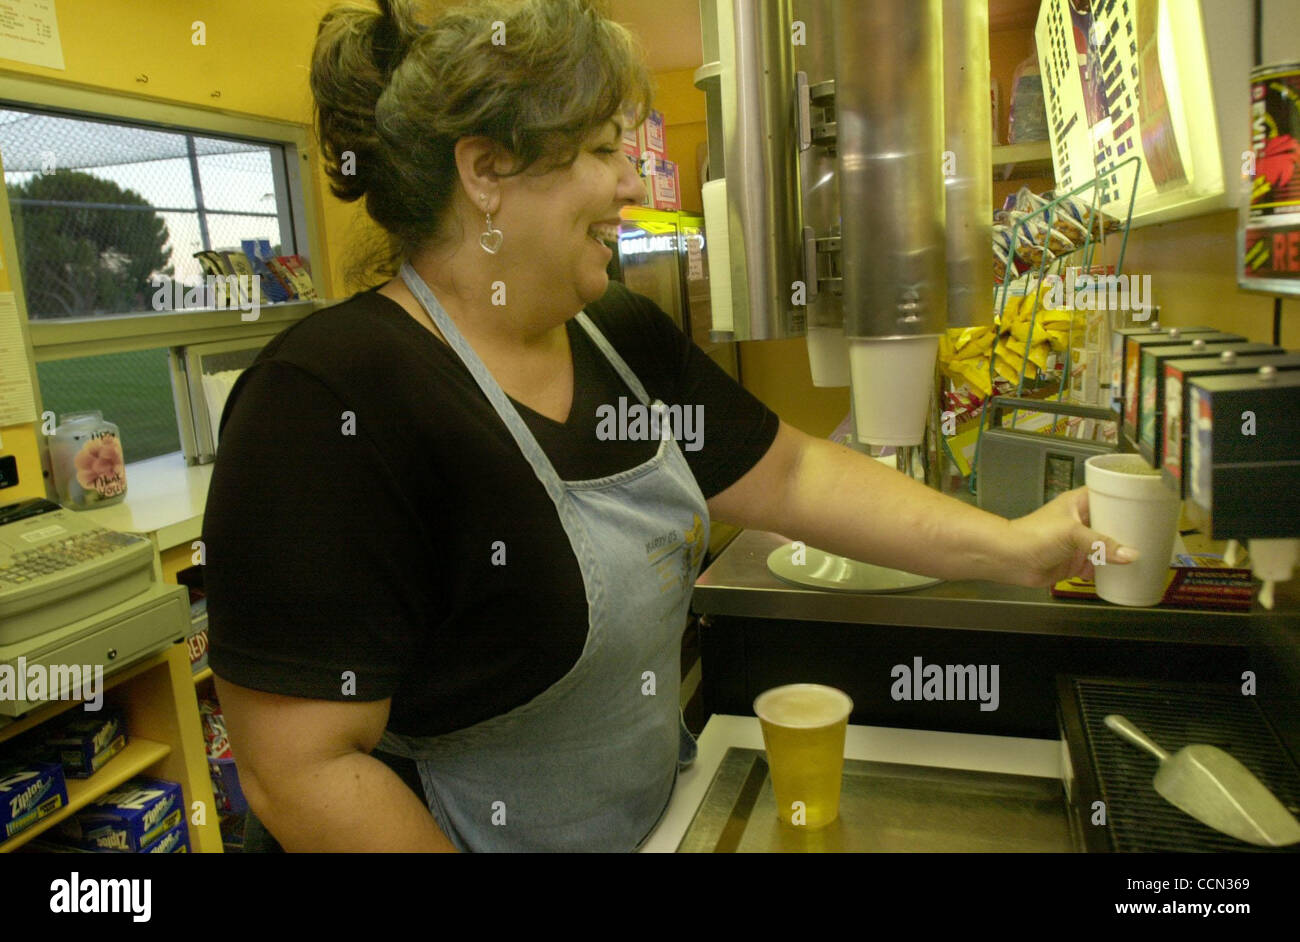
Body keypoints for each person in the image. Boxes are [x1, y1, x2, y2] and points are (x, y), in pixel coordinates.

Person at [203, 0, 1135, 853]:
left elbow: (792, 478)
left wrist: (1013, 549)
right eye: (602, 153)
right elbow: (300, 774)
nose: (626, 187)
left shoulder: (618, 337)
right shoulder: (324, 399)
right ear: (486, 170)